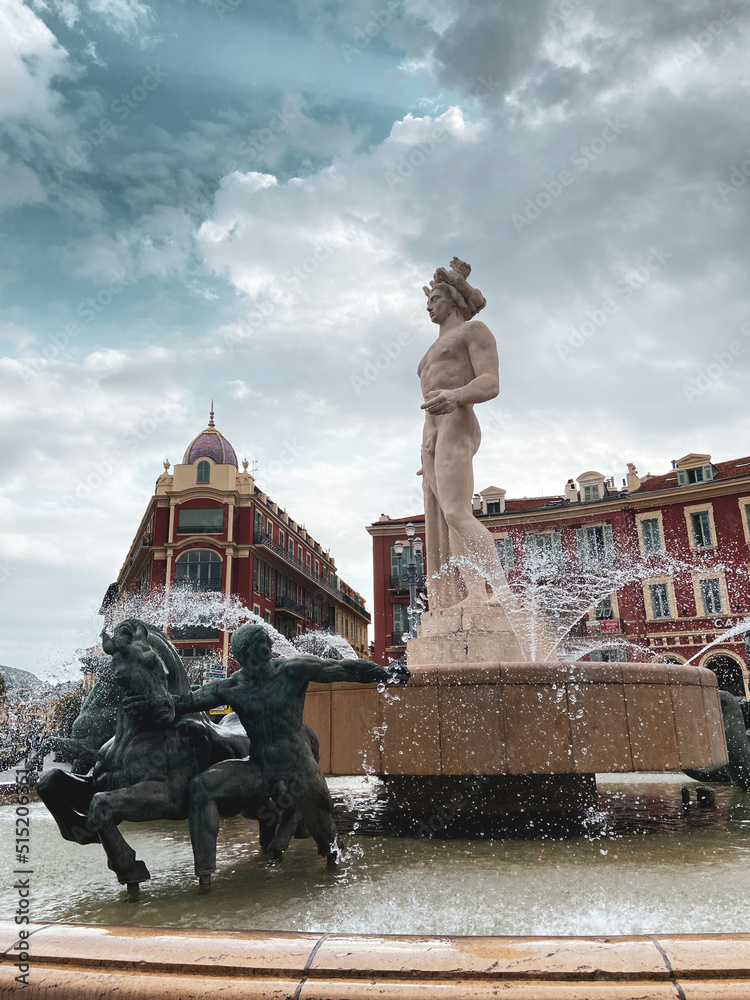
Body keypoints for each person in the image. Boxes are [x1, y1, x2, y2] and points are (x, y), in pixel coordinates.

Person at [172, 622, 409, 885]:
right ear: (248, 652)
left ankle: (335, 870)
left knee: (327, 836)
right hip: (259, 767)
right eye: (264, 641)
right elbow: (185, 703)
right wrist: (148, 704)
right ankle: (204, 874)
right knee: (202, 786)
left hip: (298, 767)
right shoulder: (230, 687)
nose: (271, 645)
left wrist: (384, 672)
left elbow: (343, 669)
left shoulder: (293, 669)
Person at [418, 258, 514, 613]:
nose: (429, 305)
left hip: (458, 418)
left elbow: (491, 382)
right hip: (432, 434)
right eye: (427, 302)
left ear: (454, 301)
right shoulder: (427, 355)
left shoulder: (475, 332)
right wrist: (426, 443)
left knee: (458, 512)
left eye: (436, 299)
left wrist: (456, 396)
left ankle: (502, 594)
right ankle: (471, 595)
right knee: (444, 518)